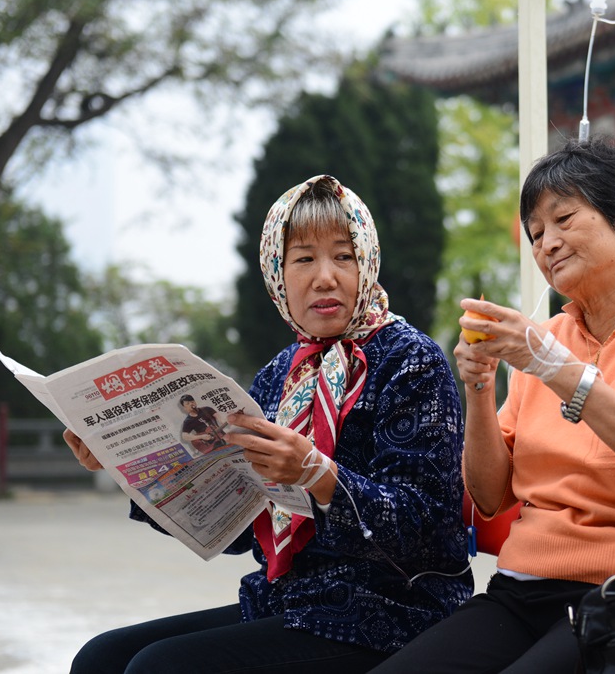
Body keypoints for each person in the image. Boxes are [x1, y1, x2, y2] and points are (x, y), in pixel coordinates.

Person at [370, 136, 615, 674]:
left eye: (564, 219)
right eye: (535, 233)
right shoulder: (549, 338)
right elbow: (489, 495)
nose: (546, 243)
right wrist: (479, 388)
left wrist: (552, 366)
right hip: (522, 590)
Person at [63, 175, 472, 674]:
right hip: (287, 603)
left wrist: (317, 474)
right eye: (303, 259)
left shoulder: (411, 360)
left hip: (388, 611)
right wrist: (132, 467)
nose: (325, 277)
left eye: (343, 256)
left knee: (158, 668)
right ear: (277, 274)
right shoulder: (280, 374)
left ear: (367, 261)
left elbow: (429, 523)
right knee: (101, 658)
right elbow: (240, 533)